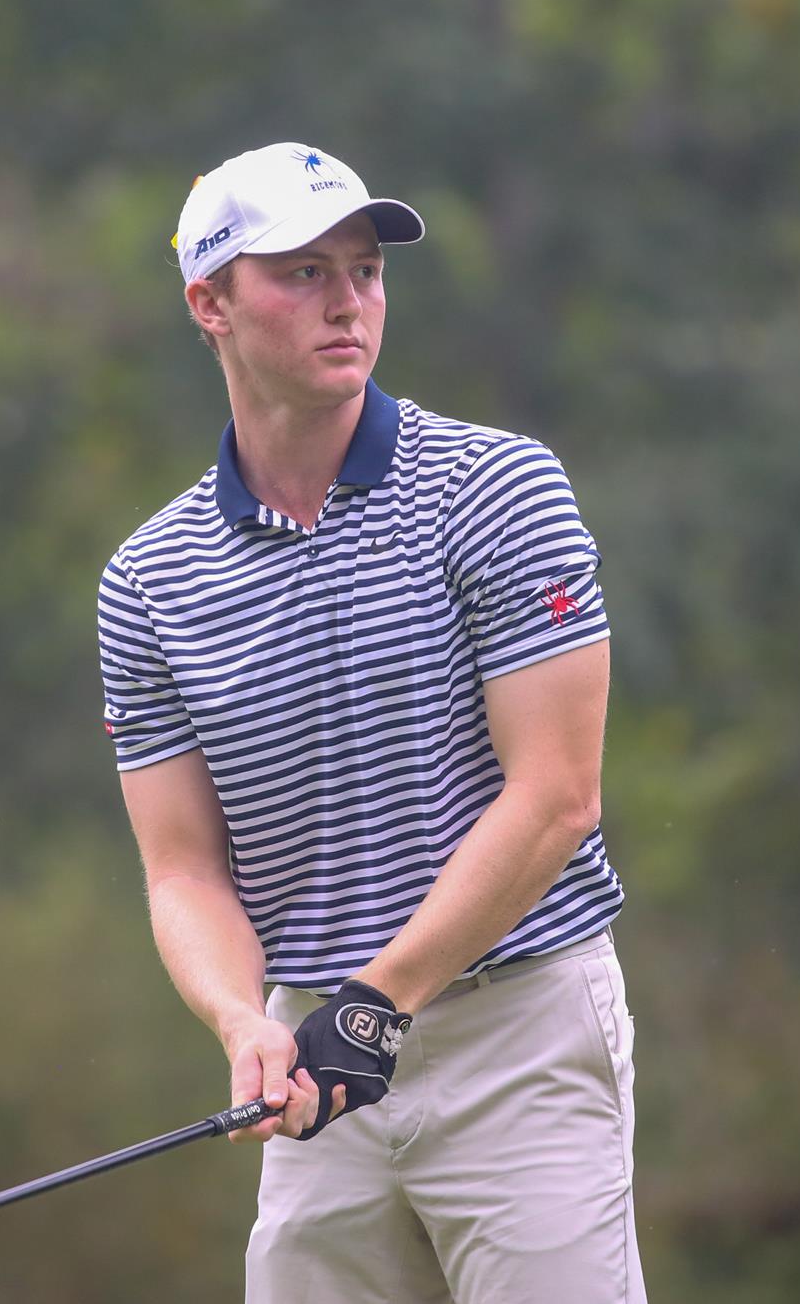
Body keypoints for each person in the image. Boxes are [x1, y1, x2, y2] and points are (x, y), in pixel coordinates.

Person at [97, 141, 645, 1303]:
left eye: (363, 269)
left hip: (518, 1031)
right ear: (209, 304)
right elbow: (184, 872)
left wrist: (379, 998)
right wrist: (242, 1021)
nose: (347, 299)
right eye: (299, 272)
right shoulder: (149, 582)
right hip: (318, 1062)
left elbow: (554, 796)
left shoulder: (496, 490)